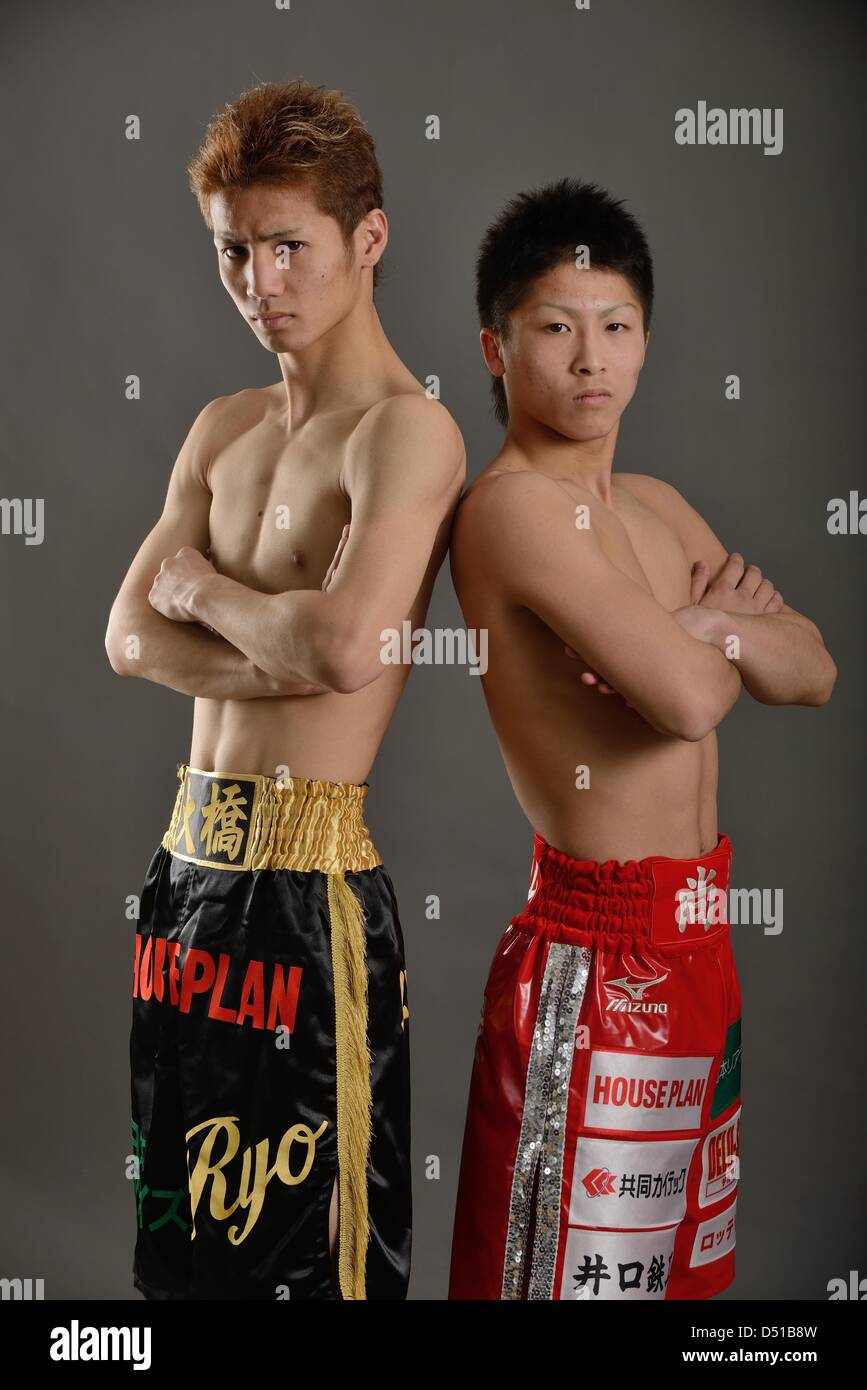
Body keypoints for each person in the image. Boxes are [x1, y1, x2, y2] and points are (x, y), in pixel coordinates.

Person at [104, 78, 465, 1301]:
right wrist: (281, 637)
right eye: (234, 251)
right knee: (180, 1253)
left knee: (314, 1264)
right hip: (183, 880)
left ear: (369, 240)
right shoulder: (221, 427)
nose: (261, 281)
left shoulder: (407, 434)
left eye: (288, 245)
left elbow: (350, 650)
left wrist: (201, 591)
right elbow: (123, 637)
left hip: (310, 895)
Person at [447, 178, 836, 1301]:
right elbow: (691, 702)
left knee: (683, 1289)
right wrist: (721, 633)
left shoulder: (660, 507)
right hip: (593, 960)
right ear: (496, 345)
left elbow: (812, 668)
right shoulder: (509, 509)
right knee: (563, 1286)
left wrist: (701, 626)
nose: (589, 359)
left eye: (614, 326)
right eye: (556, 328)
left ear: (647, 341)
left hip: (701, 947)